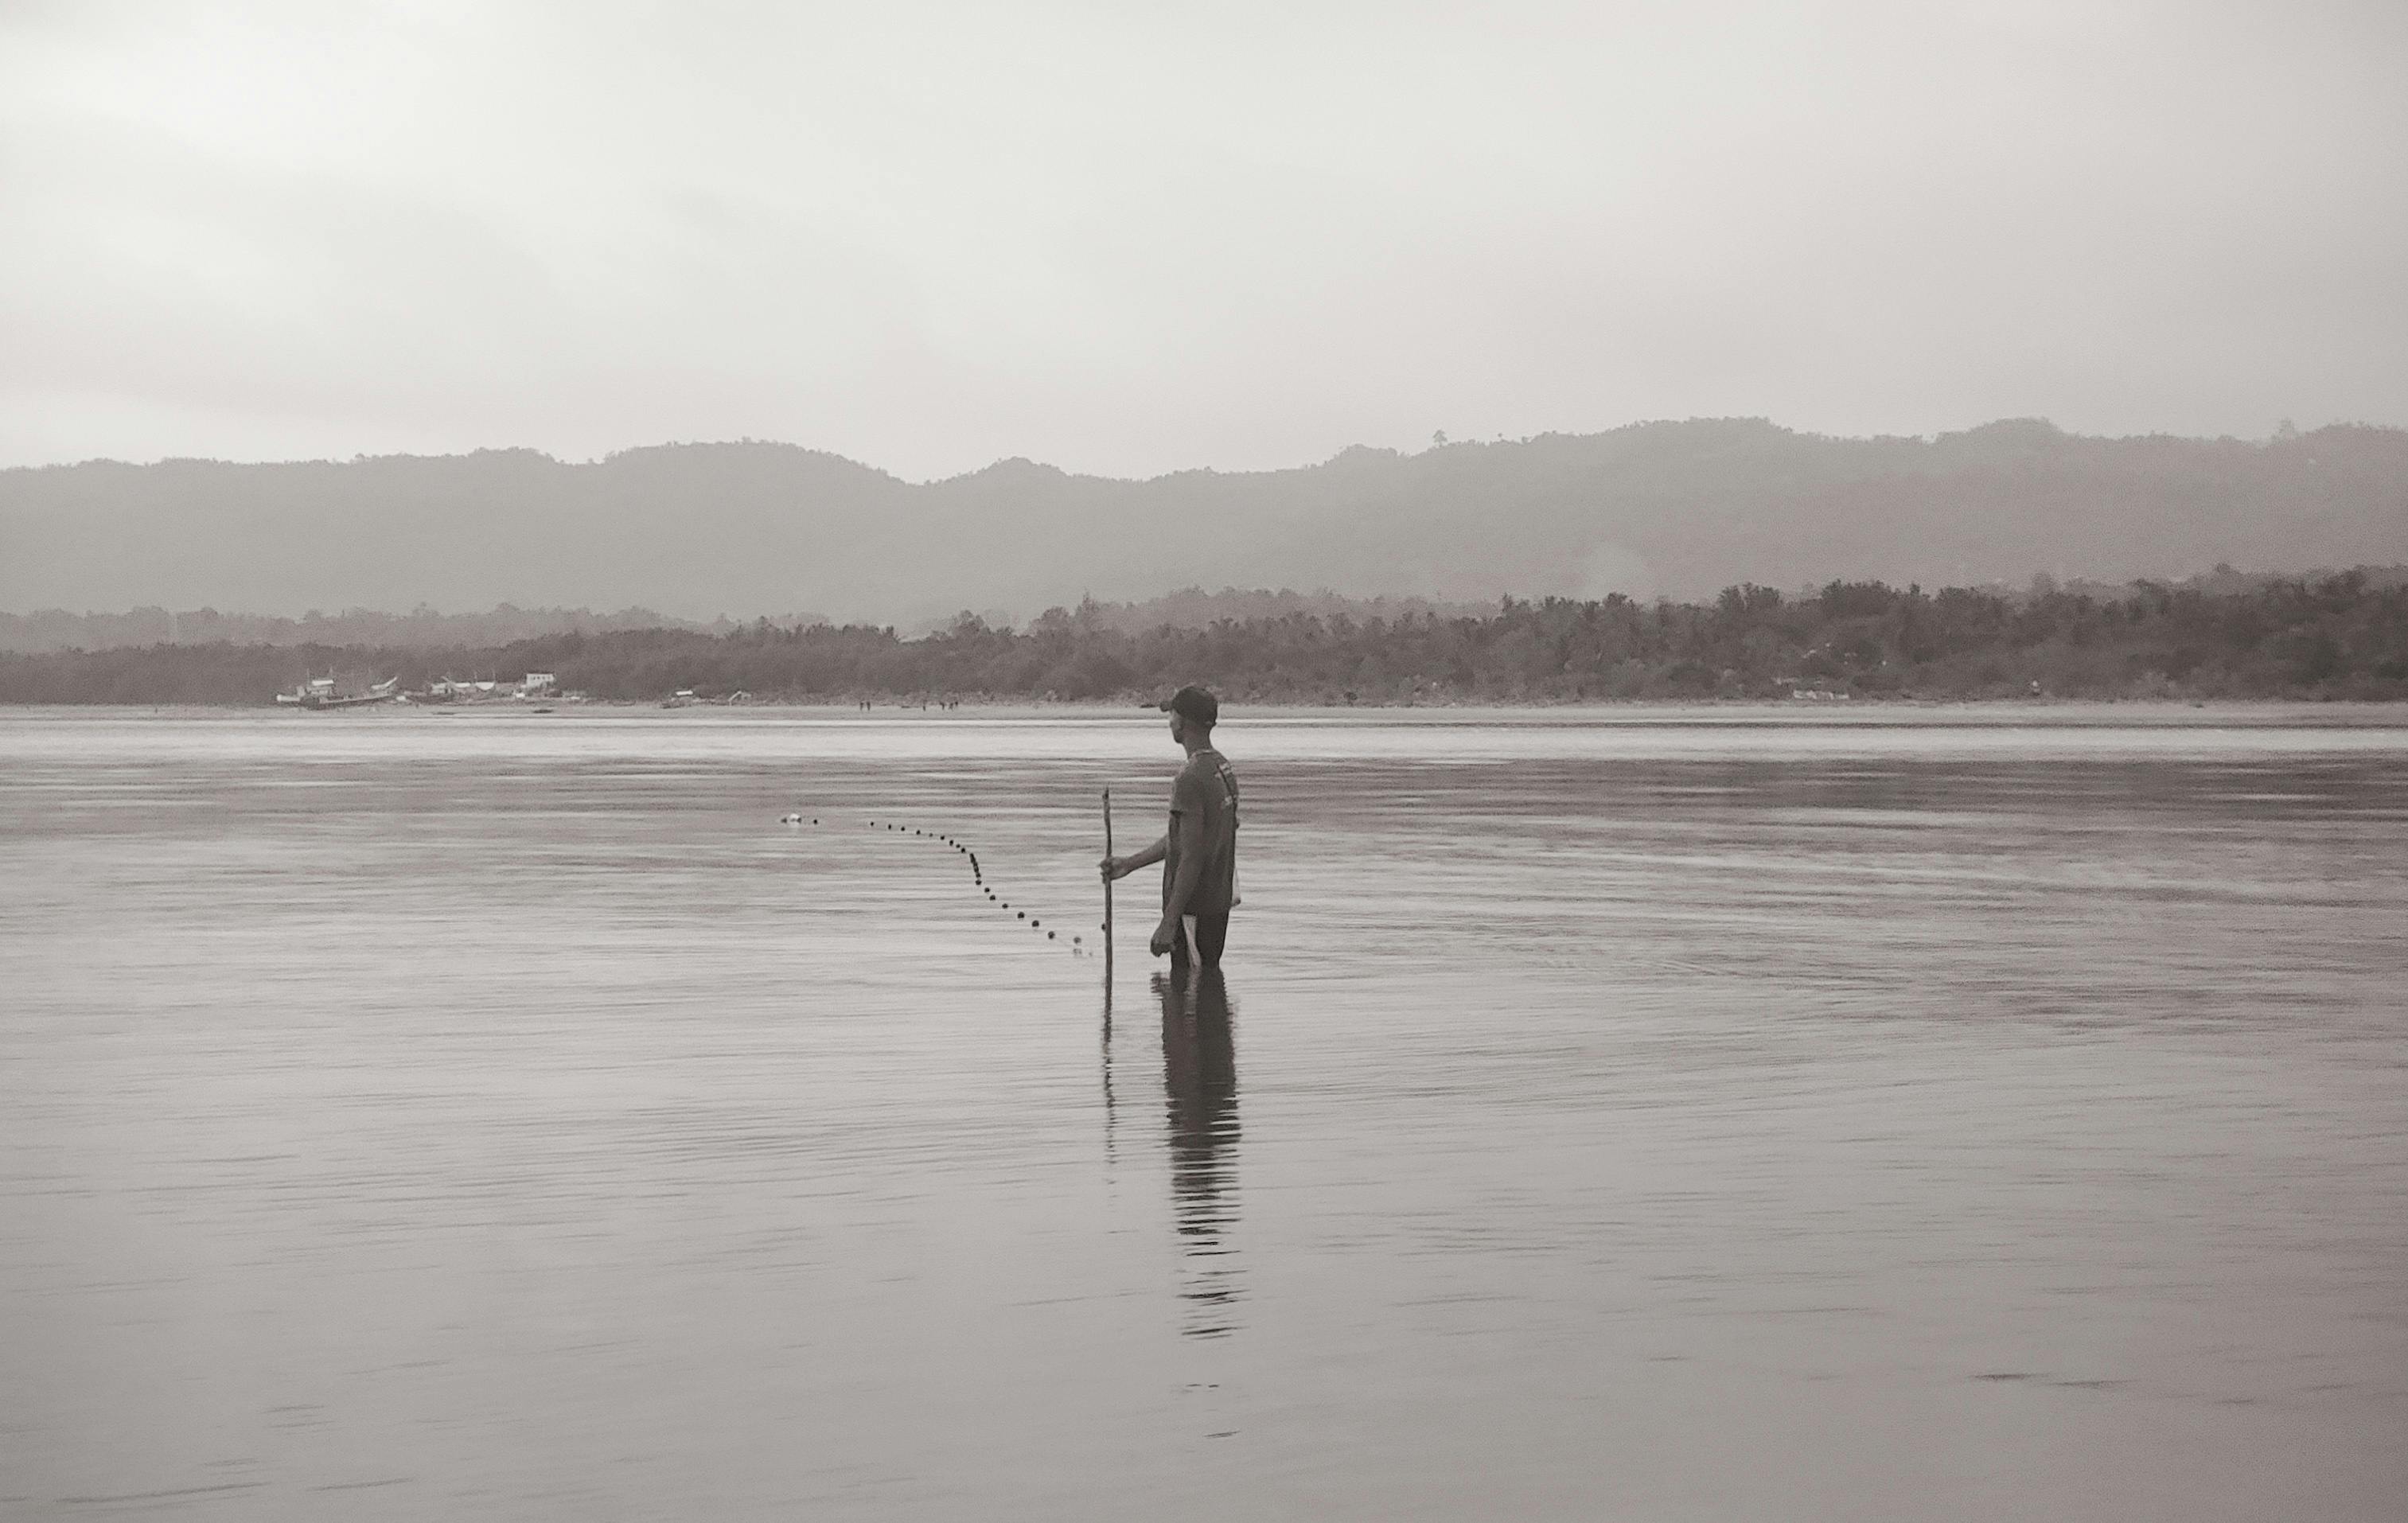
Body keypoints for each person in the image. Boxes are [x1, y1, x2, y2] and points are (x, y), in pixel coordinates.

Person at [1101, 685, 1240, 972]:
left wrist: (1169, 921)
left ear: (1183, 722)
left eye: (1172, 715)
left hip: (1194, 908)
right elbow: (1188, 838)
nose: (1169, 722)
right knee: (1203, 988)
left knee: (1188, 997)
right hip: (1216, 903)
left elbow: (1191, 855)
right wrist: (1130, 864)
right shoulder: (1222, 767)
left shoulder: (1189, 779)